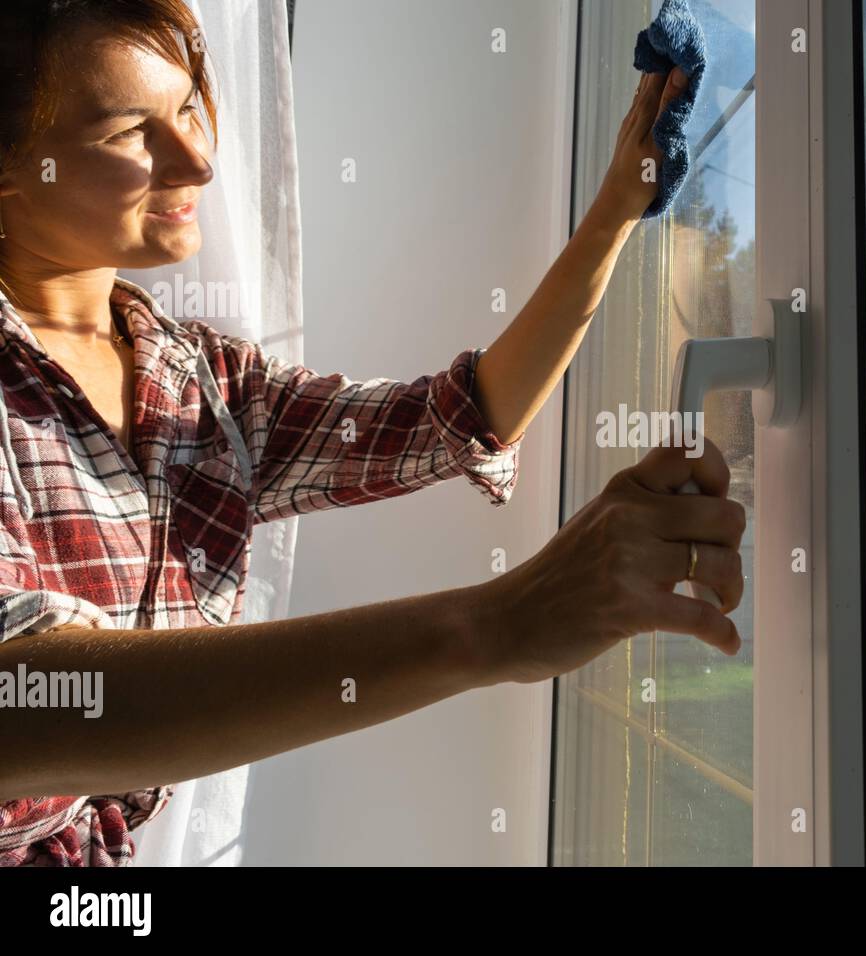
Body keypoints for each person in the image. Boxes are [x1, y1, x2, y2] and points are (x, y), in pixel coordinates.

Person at [0, 0, 745, 866]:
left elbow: (455, 417)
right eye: (133, 132)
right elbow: (23, 699)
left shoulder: (196, 383)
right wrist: (499, 625)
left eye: (192, 110)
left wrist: (618, 202)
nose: (198, 161)